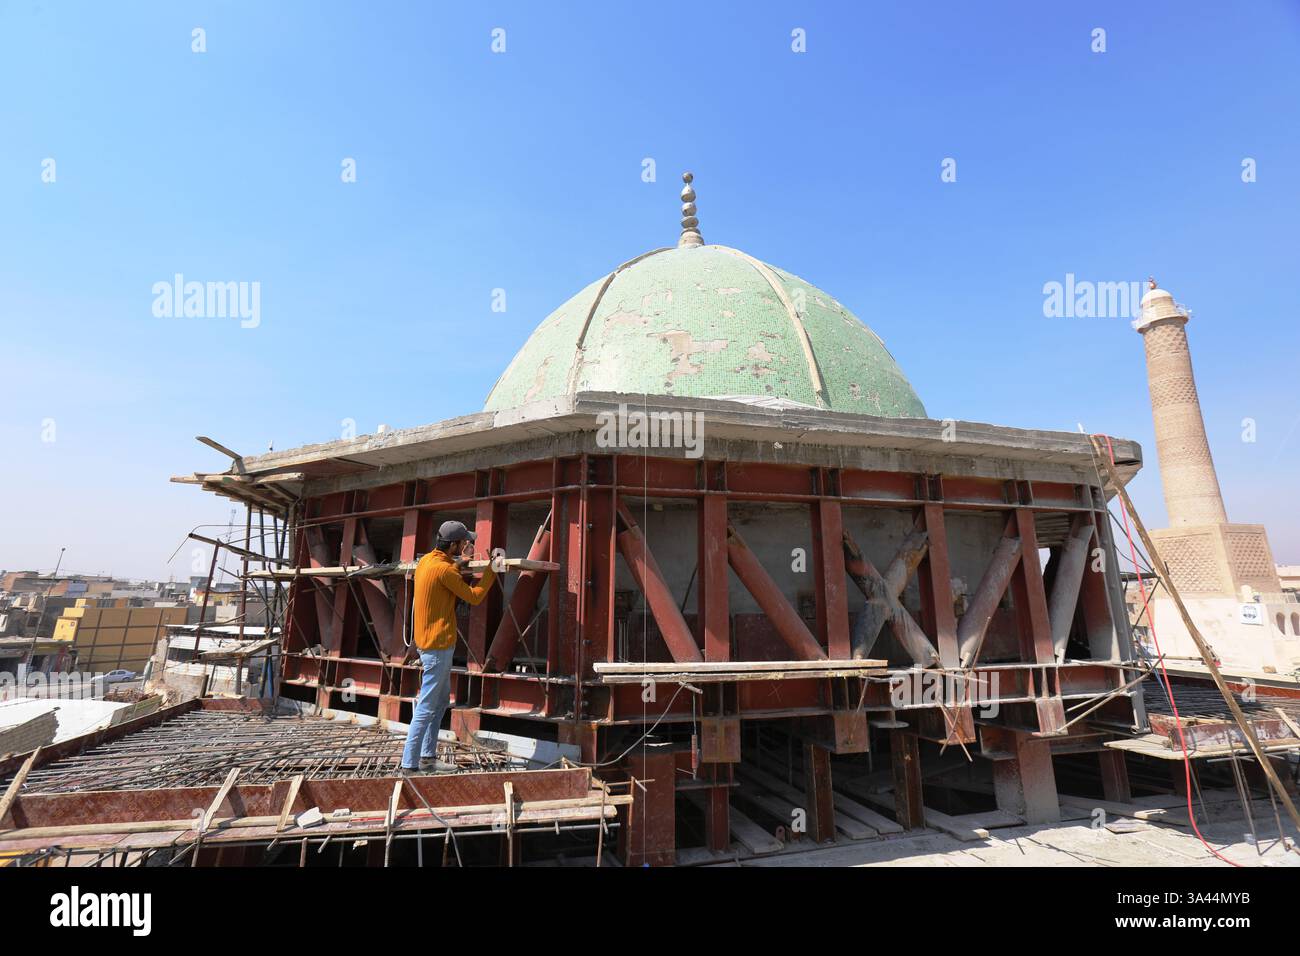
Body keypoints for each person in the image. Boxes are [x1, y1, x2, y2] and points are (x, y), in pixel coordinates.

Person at [401, 519, 496, 773]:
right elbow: (475, 597)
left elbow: (445, 570)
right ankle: (409, 765)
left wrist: (460, 561)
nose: (468, 544)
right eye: (464, 542)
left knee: (440, 702)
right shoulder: (447, 571)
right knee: (426, 707)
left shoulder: (426, 563)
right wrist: (491, 571)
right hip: (438, 648)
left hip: (427, 645)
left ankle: (428, 757)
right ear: (453, 545)